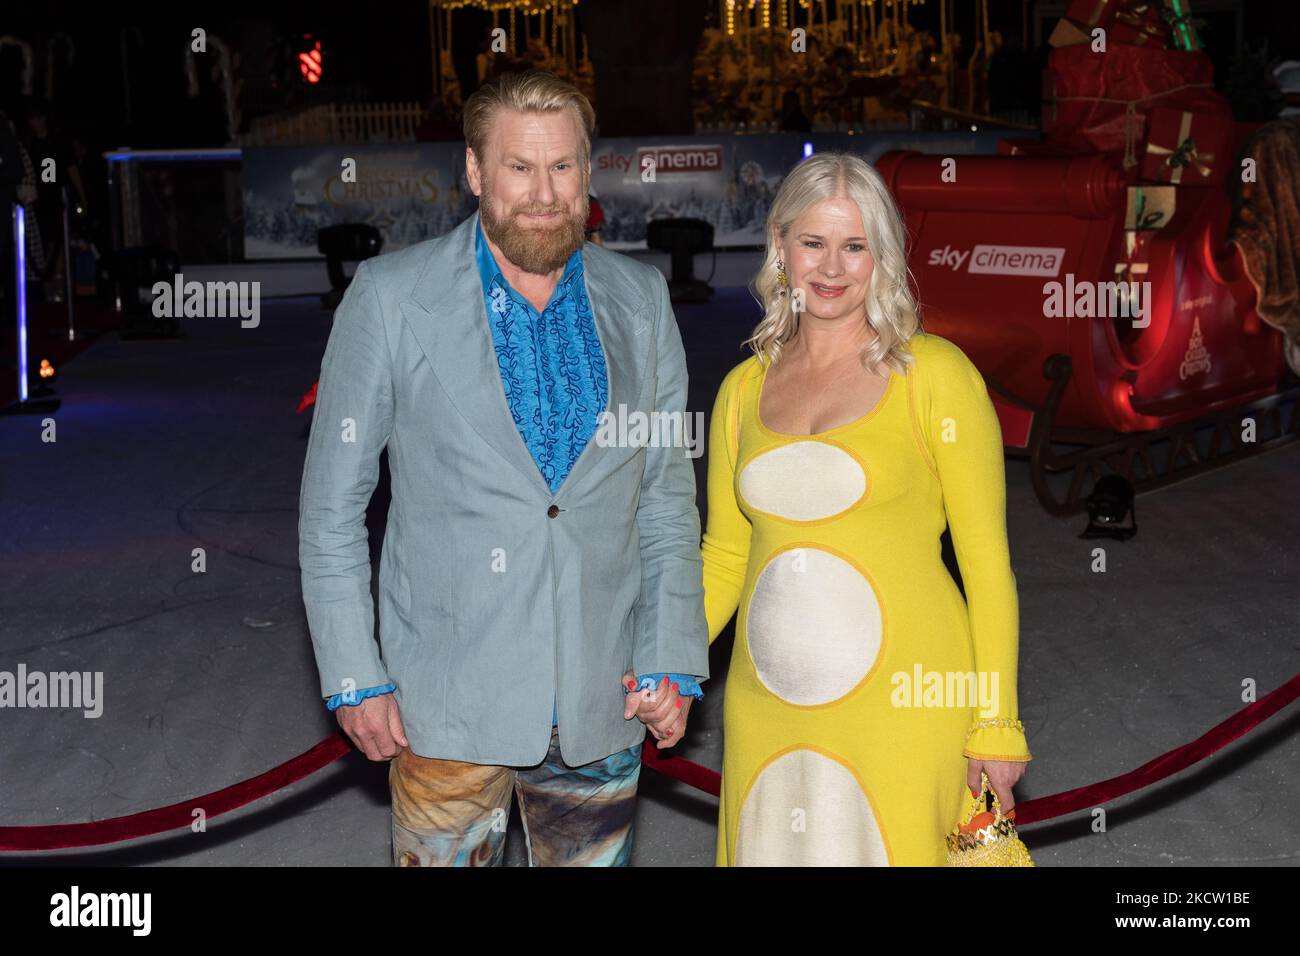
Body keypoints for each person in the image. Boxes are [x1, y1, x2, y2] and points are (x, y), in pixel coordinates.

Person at [298, 69, 709, 867]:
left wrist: (671, 652)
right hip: (443, 708)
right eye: (519, 167)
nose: (544, 193)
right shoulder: (389, 298)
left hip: (602, 700)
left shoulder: (641, 301)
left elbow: (664, 494)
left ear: (590, 171)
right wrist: (354, 674)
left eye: (563, 166)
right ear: (476, 172)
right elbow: (330, 510)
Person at [700, 151, 1031, 865]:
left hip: (909, 707)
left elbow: (987, 566)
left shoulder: (936, 376)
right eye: (812, 242)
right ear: (780, 247)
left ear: (883, 255)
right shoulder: (739, 392)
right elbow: (725, 559)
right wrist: (666, 663)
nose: (831, 266)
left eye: (855, 246)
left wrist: (996, 724)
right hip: (766, 712)